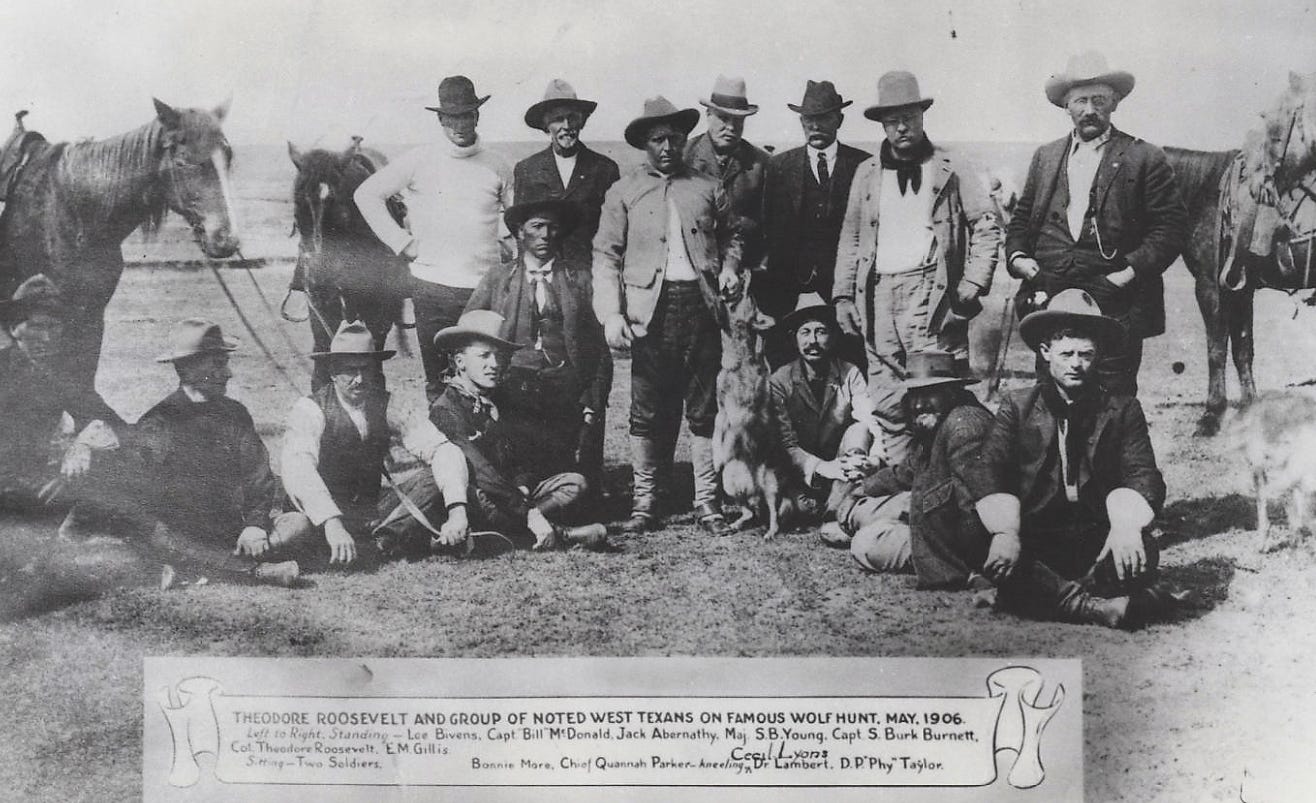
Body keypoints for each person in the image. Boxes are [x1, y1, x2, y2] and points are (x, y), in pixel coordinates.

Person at [968, 290, 1186, 629]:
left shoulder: (1122, 408)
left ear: (1098, 355)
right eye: (1067, 354)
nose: (1076, 364)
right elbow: (988, 468)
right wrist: (1006, 531)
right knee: (988, 544)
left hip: (1095, 535)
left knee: (1142, 549)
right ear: (1045, 352)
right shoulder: (1018, 405)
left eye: (1086, 354)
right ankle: (1096, 606)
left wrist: (1126, 526)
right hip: (1036, 533)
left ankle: (1045, 594)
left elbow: (1144, 475)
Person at [833, 71, 1001, 467]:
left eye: (908, 117)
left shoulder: (951, 166)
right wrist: (843, 296)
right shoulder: (867, 174)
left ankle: (947, 480)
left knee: (938, 393)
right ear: (882, 124)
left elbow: (986, 225)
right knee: (889, 397)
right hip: (878, 298)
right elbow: (851, 239)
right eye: (892, 120)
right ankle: (902, 483)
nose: (901, 127)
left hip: (932, 295)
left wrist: (974, 282)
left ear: (922, 116)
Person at [592, 96, 744, 536]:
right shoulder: (624, 191)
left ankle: (707, 501)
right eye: (657, 139)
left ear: (684, 140)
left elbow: (733, 236)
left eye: (674, 138)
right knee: (646, 410)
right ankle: (645, 503)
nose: (666, 147)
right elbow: (605, 256)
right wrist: (611, 314)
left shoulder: (706, 186)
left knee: (702, 407)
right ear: (645, 143)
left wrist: (730, 268)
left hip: (701, 308)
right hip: (648, 314)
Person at [1005, 52, 1187, 396]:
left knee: (1113, 400)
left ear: (1114, 102)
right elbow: (1020, 223)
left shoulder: (1144, 157)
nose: (1089, 110)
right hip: (1051, 296)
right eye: (1080, 101)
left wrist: (1123, 277)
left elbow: (1171, 229)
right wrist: (1024, 265)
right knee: (1050, 395)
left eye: (1099, 100)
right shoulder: (1045, 157)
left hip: (1115, 301)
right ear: (1066, 106)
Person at [355, 75, 513, 401]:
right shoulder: (419, 159)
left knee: (489, 382)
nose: (460, 124)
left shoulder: (498, 165)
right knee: (440, 384)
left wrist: (506, 246)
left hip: (484, 291)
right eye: (452, 117)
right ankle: (445, 436)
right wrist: (402, 242)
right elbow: (366, 194)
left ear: (477, 116)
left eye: (466, 115)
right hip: (432, 290)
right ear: (441, 120)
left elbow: (518, 220)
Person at [278, 321, 472, 567]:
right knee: (296, 530)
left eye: (366, 369)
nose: (359, 379)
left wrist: (457, 511)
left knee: (433, 476)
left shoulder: (387, 404)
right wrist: (332, 522)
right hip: (320, 516)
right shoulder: (310, 409)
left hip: (368, 512)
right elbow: (299, 470)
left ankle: (380, 542)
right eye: (350, 371)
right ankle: (381, 544)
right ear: (333, 372)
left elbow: (440, 448)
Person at [132, 319, 300, 586]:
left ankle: (206, 566)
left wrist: (255, 524)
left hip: (234, 530)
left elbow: (259, 476)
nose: (229, 373)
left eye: (226, 363)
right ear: (188, 368)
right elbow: (143, 500)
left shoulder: (235, 413)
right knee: (162, 537)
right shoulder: (158, 423)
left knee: (298, 523)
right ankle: (254, 571)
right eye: (218, 364)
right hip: (184, 535)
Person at [426, 310, 609, 552]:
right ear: (460, 362)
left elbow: (516, 457)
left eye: (499, 356)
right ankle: (560, 534)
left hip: (512, 495)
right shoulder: (445, 409)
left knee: (575, 483)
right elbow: (480, 470)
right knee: (478, 497)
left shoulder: (499, 398)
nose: (494, 364)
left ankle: (506, 533)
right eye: (484, 356)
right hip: (482, 494)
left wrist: (522, 484)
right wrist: (528, 510)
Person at [463, 199, 612, 494]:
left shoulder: (579, 278)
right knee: (514, 468)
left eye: (553, 227)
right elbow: (468, 332)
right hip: (509, 388)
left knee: (564, 473)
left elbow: (598, 345)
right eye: (537, 226)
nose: (545, 235)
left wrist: (592, 399)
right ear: (520, 232)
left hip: (564, 390)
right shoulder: (498, 278)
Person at [839, 350, 995, 586]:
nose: (919, 404)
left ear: (951, 392)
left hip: (951, 541)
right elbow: (906, 472)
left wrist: (967, 567)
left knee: (865, 543)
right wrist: (861, 489)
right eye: (914, 394)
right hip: (933, 513)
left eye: (930, 394)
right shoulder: (938, 422)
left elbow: (976, 511)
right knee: (861, 510)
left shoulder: (965, 428)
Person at [759, 80, 871, 368]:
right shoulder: (779, 166)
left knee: (850, 359)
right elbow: (766, 230)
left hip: (842, 289)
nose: (816, 126)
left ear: (839, 120)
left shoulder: (863, 166)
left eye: (824, 118)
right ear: (801, 122)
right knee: (785, 363)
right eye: (809, 119)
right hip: (786, 291)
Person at [0, 274, 127, 511]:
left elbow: (111, 422)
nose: (47, 338)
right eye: (37, 326)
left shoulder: (58, 375)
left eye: (53, 326)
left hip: (30, 487)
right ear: (13, 328)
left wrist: (86, 443)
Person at [768, 295, 876, 523]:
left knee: (859, 429)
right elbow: (786, 443)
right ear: (794, 339)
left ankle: (845, 493)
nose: (813, 341)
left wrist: (870, 461)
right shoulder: (780, 380)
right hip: (802, 471)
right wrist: (822, 468)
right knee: (798, 509)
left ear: (834, 337)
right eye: (805, 333)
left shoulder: (849, 373)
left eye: (821, 332)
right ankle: (835, 504)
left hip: (841, 466)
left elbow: (869, 419)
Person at [513, 79, 620, 269]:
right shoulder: (527, 169)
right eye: (558, 119)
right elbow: (521, 230)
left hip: (588, 271)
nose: (567, 125)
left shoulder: (604, 168)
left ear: (582, 122)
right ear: (546, 125)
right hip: (544, 272)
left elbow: (614, 231)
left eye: (572, 118)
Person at [684, 76, 770, 270]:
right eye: (723, 118)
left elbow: (770, 226)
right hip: (693, 270)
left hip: (747, 270)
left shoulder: (761, 164)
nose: (731, 127)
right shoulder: (684, 156)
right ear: (708, 115)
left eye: (738, 121)